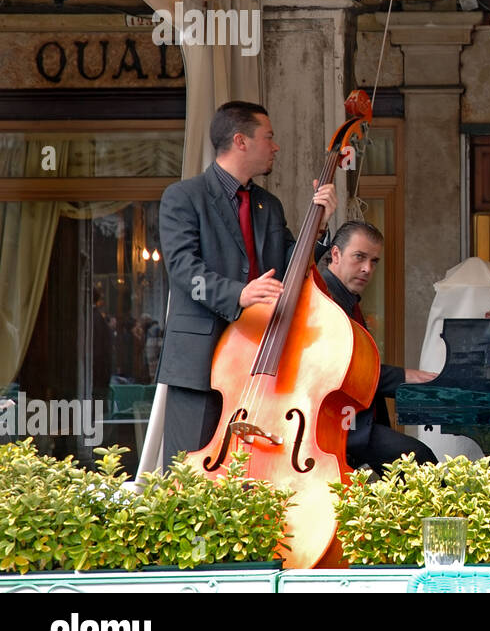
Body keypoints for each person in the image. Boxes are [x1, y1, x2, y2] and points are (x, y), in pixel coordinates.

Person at [157, 101, 336, 465]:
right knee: (190, 472)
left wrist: (318, 226)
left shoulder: (268, 204)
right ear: (241, 140)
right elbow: (182, 269)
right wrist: (240, 293)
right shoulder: (183, 197)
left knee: (254, 470)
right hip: (200, 363)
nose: (276, 146)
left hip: (258, 357)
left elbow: (292, 268)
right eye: (268, 137)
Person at [319, 220, 437, 468]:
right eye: (359, 257)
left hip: (354, 420)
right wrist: (407, 377)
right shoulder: (324, 301)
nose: (367, 268)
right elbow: (344, 368)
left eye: (374, 261)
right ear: (336, 254)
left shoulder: (346, 299)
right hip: (334, 423)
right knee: (417, 458)